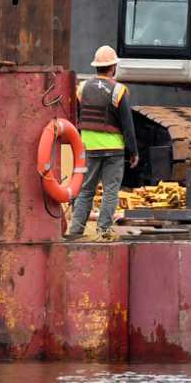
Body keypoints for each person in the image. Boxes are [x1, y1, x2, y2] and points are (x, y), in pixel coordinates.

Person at [67, 44, 137, 241]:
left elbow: (76, 117)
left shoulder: (82, 88)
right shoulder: (119, 91)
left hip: (88, 148)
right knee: (110, 191)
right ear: (113, 67)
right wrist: (133, 151)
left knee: (86, 190)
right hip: (113, 149)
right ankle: (103, 230)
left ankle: (76, 231)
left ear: (96, 66)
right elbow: (127, 124)